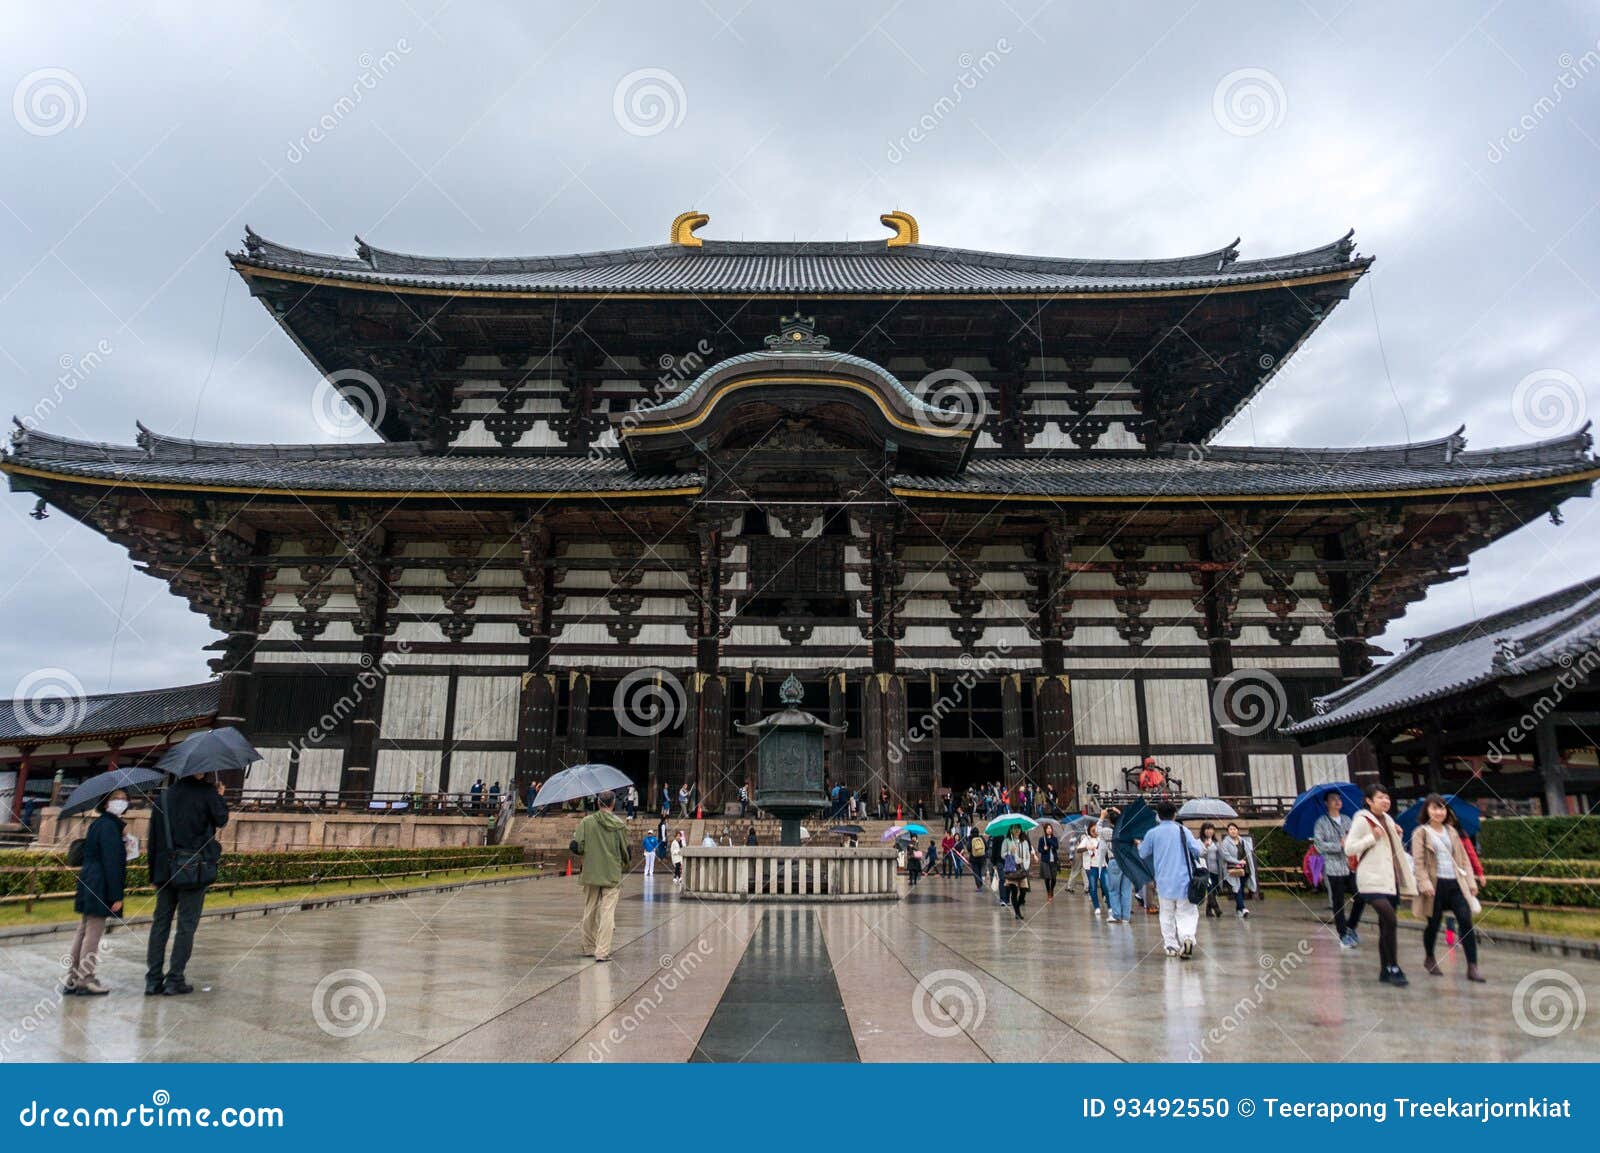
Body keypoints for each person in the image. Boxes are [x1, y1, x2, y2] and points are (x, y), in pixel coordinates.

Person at [145, 774, 229, 996]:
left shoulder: (164, 797)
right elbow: (221, 819)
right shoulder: (207, 794)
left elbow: (153, 837)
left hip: (164, 870)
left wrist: (153, 874)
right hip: (193, 870)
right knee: (186, 926)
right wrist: (219, 796)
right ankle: (175, 979)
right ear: (201, 772)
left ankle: (153, 980)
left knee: (160, 924)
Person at [1342, 782, 1417, 986]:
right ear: (1368, 801)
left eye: (1387, 797)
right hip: (1370, 879)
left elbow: (1390, 850)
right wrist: (1371, 837)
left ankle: (1385, 970)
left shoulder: (1389, 819)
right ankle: (1394, 966)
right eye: (1380, 797)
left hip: (1389, 879)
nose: (1385, 801)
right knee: (1390, 919)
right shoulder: (1362, 820)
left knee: (1386, 925)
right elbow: (1349, 848)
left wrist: (1397, 834)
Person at [1410, 794, 1484, 983]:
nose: (1439, 812)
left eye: (1442, 808)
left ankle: (1472, 966)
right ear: (1427, 811)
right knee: (1433, 924)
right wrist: (1424, 883)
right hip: (1434, 885)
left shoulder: (1451, 831)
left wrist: (1471, 882)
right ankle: (1429, 956)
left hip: (1455, 883)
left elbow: (1463, 858)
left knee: (1466, 921)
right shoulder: (1421, 832)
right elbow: (1418, 862)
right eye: (1434, 808)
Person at [63, 788, 130, 996]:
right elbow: (111, 863)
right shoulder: (110, 827)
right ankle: (86, 978)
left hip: (89, 879)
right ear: (105, 802)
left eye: (124, 798)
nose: (121, 802)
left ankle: (73, 978)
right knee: (93, 932)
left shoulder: (99, 824)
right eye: (115, 798)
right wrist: (116, 895)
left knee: (83, 930)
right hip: (100, 883)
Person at [1138, 801, 1204, 958]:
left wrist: (1139, 844)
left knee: (1166, 914)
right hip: (1184, 881)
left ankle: (1171, 946)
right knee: (1186, 913)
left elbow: (1142, 853)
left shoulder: (1152, 833)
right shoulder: (1183, 830)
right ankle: (1187, 937)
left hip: (1163, 881)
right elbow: (1198, 850)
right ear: (1175, 814)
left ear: (1158, 816)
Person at [571, 790, 630, 962]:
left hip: (590, 872)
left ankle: (588, 947)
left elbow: (578, 847)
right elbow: (625, 851)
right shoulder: (619, 825)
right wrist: (625, 863)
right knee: (607, 912)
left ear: (598, 804)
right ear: (613, 804)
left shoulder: (586, 822)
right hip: (611, 874)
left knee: (589, 910)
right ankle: (602, 951)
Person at [1312, 790, 1363, 947]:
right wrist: (1338, 845)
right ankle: (1342, 934)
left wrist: (1351, 843)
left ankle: (1351, 925)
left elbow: (1356, 838)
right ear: (1326, 803)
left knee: (1361, 895)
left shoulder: (1348, 820)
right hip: (1333, 867)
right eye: (1333, 799)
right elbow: (1319, 845)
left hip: (1350, 866)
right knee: (1338, 901)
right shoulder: (1321, 823)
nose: (1337, 801)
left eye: (1339, 798)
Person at [1219, 822, 1251, 918]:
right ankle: (1243, 908)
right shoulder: (1225, 842)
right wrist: (1238, 862)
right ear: (1228, 832)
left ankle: (1239, 910)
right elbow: (1226, 856)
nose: (1233, 831)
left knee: (1240, 888)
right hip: (1233, 869)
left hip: (1244, 869)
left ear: (1238, 830)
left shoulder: (1243, 841)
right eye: (1231, 829)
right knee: (1237, 888)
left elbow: (1248, 853)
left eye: (1234, 829)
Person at [1003, 825, 1032, 920]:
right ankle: (1017, 912)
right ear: (1011, 830)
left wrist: (1025, 865)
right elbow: (1002, 855)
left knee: (1023, 892)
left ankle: (1017, 906)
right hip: (1012, 869)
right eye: (1014, 829)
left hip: (1022, 869)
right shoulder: (1007, 841)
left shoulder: (1024, 842)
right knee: (1014, 891)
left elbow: (1027, 855)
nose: (1017, 831)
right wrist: (1009, 852)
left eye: (1018, 829)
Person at [1198, 823, 1224, 918]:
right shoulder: (1199, 842)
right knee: (1210, 888)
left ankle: (1208, 910)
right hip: (1205, 869)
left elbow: (1221, 855)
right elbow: (1199, 854)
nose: (1209, 831)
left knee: (1214, 890)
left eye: (1211, 829)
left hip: (1216, 870)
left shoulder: (1216, 842)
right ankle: (1216, 908)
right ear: (1203, 831)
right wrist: (1205, 846)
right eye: (1207, 829)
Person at [1037, 822, 1061, 901]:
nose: (1049, 830)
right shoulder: (1041, 839)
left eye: (1050, 828)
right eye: (1047, 828)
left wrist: (1049, 840)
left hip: (1053, 860)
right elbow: (1039, 849)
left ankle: (1051, 890)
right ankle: (1048, 893)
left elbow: (1056, 846)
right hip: (1045, 861)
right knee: (1047, 878)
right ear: (1045, 830)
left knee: (1054, 878)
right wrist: (1044, 849)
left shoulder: (1054, 838)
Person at [968, 827, 987, 891]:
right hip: (982, 858)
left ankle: (979, 887)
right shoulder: (981, 838)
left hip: (974, 859)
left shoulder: (971, 839)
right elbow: (986, 846)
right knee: (980, 872)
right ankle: (980, 884)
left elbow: (968, 848)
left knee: (976, 873)